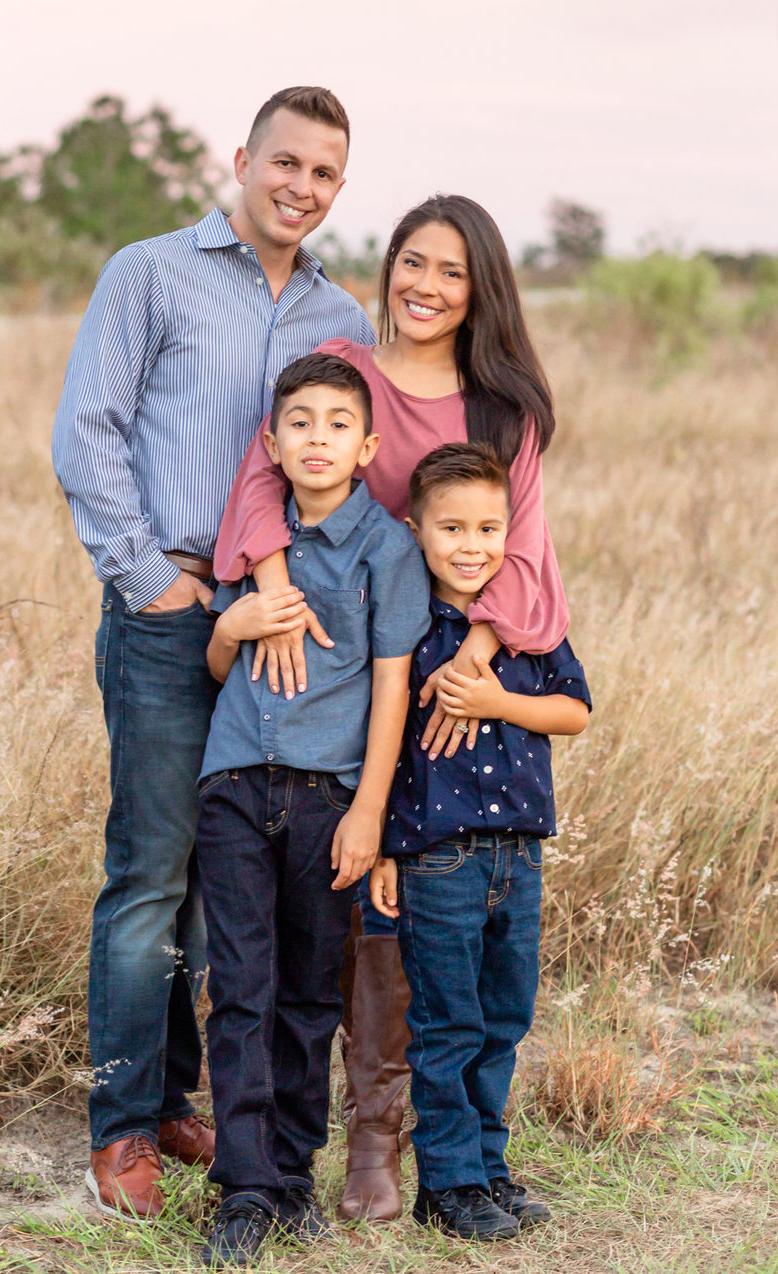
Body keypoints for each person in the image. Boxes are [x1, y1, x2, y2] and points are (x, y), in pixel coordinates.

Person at [51, 87, 376, 1219]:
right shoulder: (150, 270)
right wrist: (150, 577)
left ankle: (181, 1095)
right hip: (171, 610)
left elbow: (349, 467)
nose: (300, 186)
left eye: (324, 173)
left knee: (220, 882)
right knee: (149, 870)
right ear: (242, 159)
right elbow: (86, 426)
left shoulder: (346, 319)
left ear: (340, 188)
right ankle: (122, 1125)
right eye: (283, 161)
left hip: (281, 637)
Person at [213, 192, 569, 1219]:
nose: (423, 285)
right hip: (343, 673)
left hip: (452, 679)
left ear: (479, 289)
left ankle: (417, 1143)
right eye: (412, 262)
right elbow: (258, 482)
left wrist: (477, 664)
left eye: (450, 271)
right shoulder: (343, 370)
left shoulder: (506, 408)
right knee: (361, 906)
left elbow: (527, 546)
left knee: (437, 915)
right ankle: (348, 1142)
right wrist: (272, 598)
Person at [197, 353, 431, 1267]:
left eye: (338, 423)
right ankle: (244, 1189)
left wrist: (367, 810)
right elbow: (222, 671)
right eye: (299, 422)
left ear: (369, 447)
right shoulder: (257, 546)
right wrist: (228, 628)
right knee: (242, 990)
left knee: (304, 992)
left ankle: (290, 1172)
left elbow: (391, 689)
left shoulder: (389, 551)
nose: (317, 438)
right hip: (232, 787)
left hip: (327, 797)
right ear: (272, 442)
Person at [370, 442, 591, 1241]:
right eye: (452, 527)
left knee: (504, 1018)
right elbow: (388, 744)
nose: (472, 545)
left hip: (521, 854)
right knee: (446, 1023)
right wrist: (388, 851)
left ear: (511, 531)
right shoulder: (410, 630)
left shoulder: (526, 626)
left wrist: (499, 701)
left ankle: (489, 1168)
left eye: (489, 528)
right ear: (414, 530)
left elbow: (574, 711)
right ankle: (449, 1183)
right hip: (440, 858)